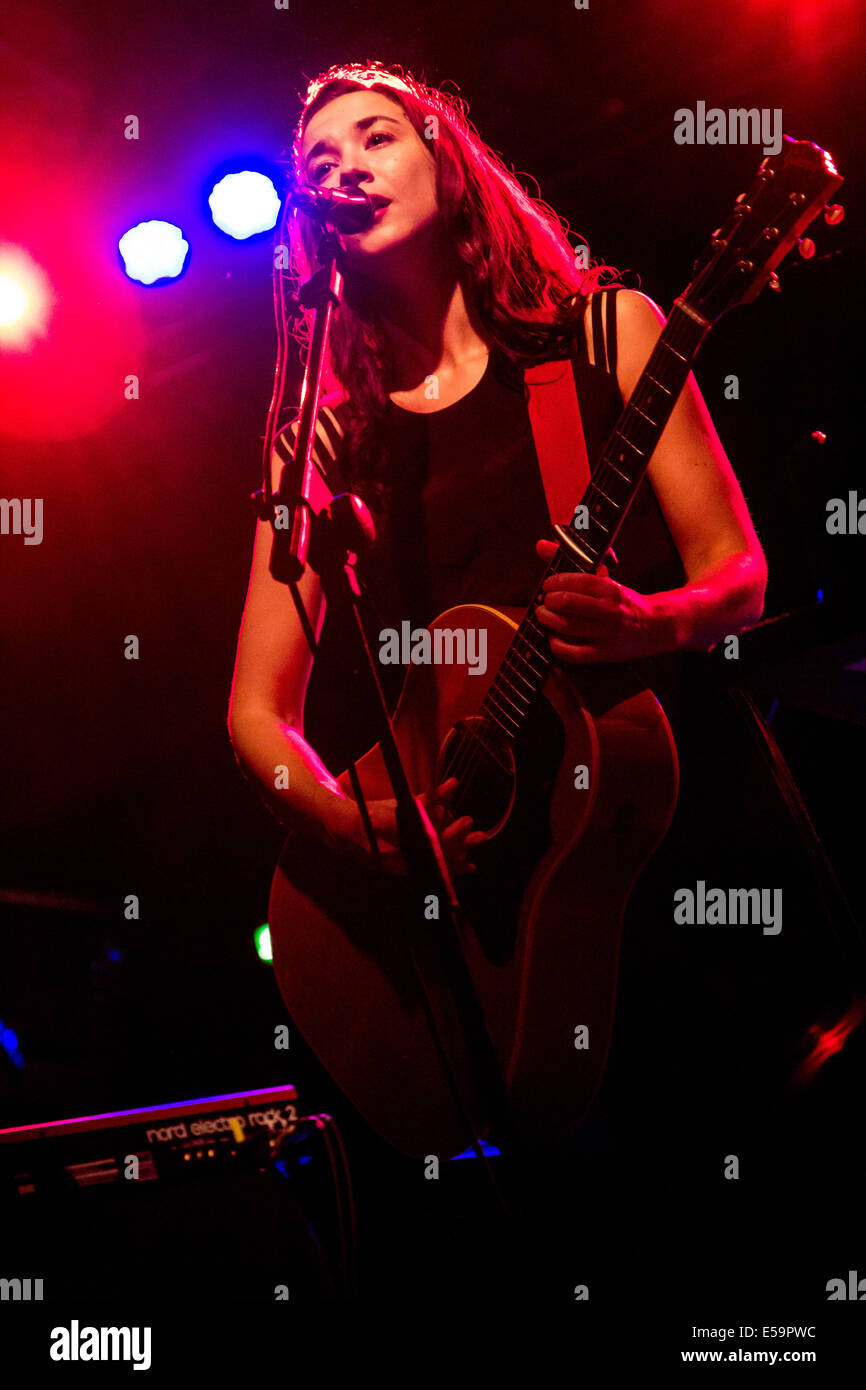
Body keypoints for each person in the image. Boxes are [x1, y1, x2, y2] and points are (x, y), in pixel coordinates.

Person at [227, 61, 768, 1302]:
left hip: (656, 851)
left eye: (375, 136)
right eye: (317, 164)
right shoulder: (323, 432)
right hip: (480, 900)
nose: (342, 167)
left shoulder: (600, 334)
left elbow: (734, 572)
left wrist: (648, 620)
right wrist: (349, 825)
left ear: (443, 157)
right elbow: (253, 711)